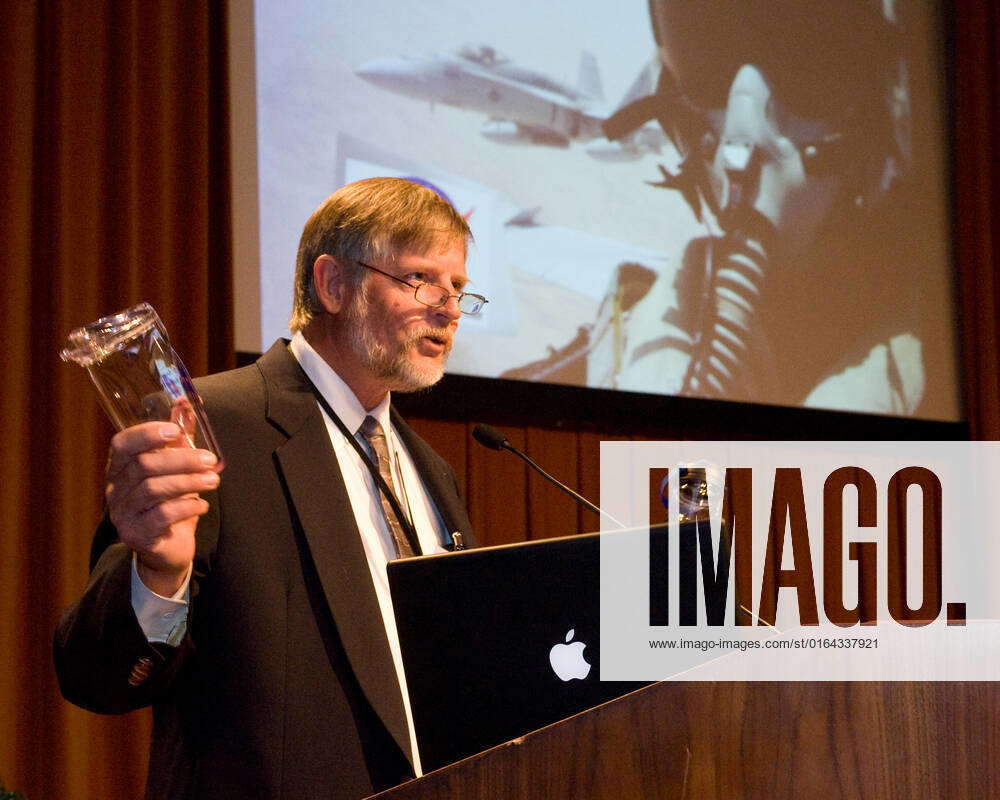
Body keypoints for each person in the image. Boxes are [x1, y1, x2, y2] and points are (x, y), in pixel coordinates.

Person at [54, 177, 487, 799]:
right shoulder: (214, 422)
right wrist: (157, 575)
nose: (448, 308)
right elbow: (94, 676)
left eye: (460, 289)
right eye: (420, 280)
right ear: (334, 284)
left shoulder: (430, 468)